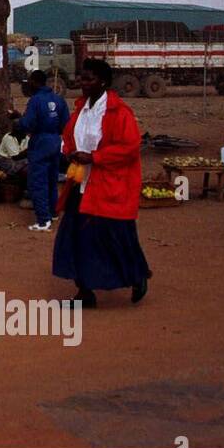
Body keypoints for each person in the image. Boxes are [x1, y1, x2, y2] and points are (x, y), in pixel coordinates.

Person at [52, 58, 150, 308]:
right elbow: (68, 136)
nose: (82, 83)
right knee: (74, 236)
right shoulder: (80, 110)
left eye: (89, 79)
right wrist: (70, 151)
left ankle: (136, 275)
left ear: (103, 82)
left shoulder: (120, 113)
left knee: (115, 235)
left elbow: (129, 148)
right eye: (82, 78)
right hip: (80, 183)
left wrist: (95, 157)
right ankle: (84, 291)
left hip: (108, 184)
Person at [20, 70, 70, 232]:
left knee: (37, 182)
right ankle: (53, 212)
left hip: (40, 142)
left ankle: (43, 220)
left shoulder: (35, 101)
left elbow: (27, 124)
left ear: (35, 82)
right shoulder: (58, 99)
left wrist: (17, 119)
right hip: (55, 142)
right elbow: (66, 124)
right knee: (51, 179)